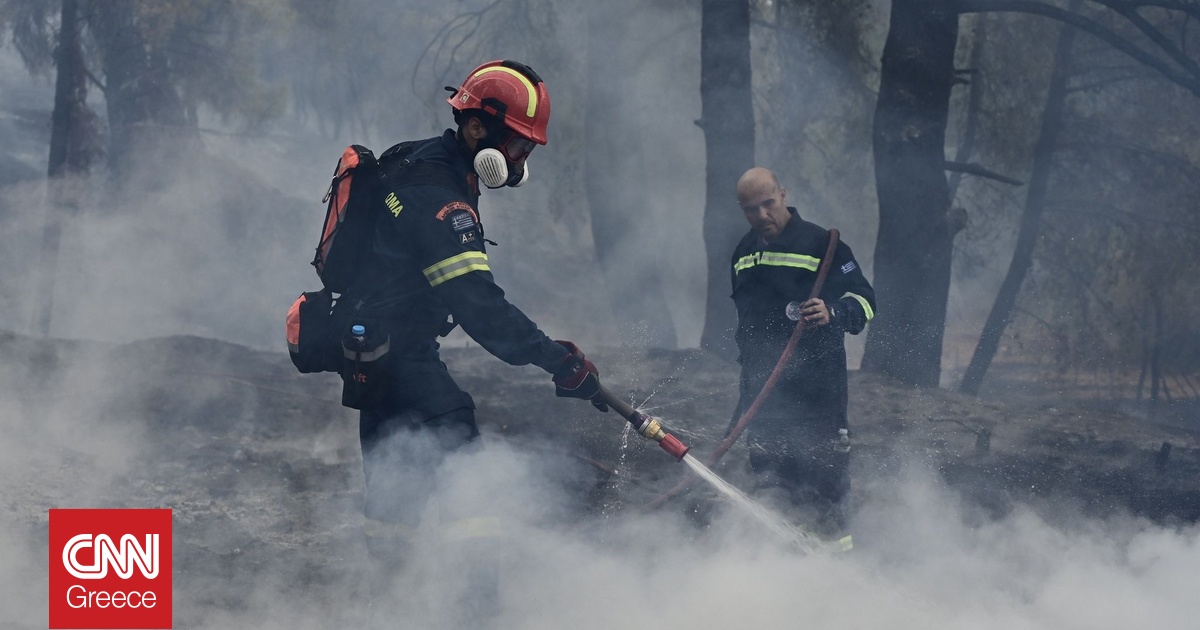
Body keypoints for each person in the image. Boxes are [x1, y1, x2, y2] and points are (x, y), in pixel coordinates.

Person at [341, 59, 608, 621]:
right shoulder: (443, 199)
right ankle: (477, 612)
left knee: (394, 478)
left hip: (370, 352)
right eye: (519, 145)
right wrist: (557, 360)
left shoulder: (420, 160)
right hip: (403, 353)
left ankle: (388, 604)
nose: (521, 161)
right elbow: (478, 305)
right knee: (467, 469)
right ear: (478, 128)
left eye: (530, 150)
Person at [727, 166, 876, 538]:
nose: (761, 215)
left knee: (825, 489)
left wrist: (834, 311)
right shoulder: (743, 253)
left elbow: (865, 299)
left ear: (784, 195)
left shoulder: (823, 245)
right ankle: (780, 571)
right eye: (750, 209)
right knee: (771, 488)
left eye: (768, 203)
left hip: (817, 397)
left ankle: (837, 571)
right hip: (763, 398)